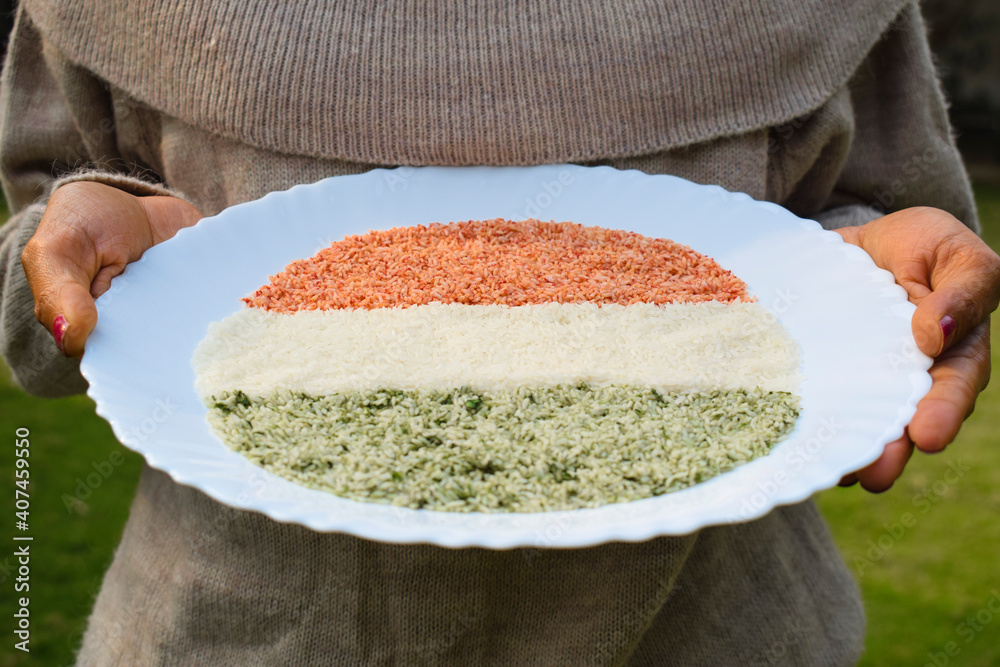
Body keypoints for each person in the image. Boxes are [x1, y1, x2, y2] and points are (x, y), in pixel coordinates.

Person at [2, 0, 998, 664]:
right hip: (238, 635)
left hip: (713, 630)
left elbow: (864, 235)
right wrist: (107, 244)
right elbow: (42, 249)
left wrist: (872, 289)